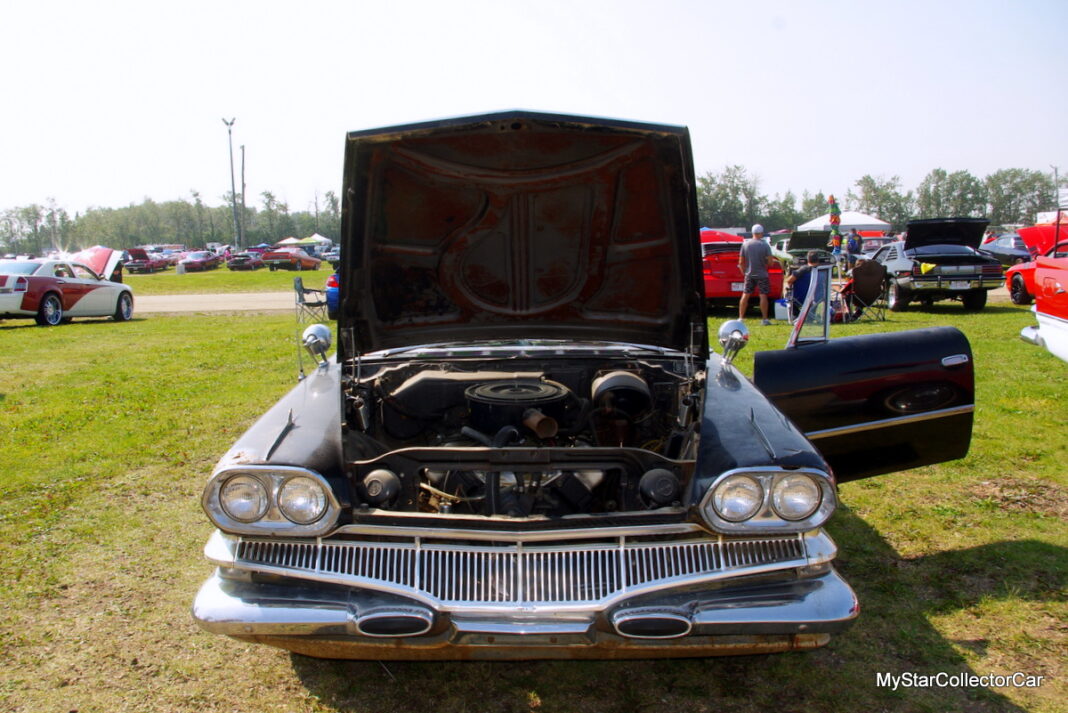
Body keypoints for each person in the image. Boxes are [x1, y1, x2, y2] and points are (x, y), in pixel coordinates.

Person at [738, 223, 777, 325]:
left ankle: (741, 318)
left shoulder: (745, 244)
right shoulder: (765, 245)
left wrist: (744, 273)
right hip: (762, 274)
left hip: (749, 274)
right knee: (763, 295)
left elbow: (741, 262)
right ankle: (764, 319)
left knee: (745, 295)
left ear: (752, 233)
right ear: (761, 233)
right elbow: (770, 262)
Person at [785, 250, 821, 316]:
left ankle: (796, 315)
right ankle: (810, 315)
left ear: (808, 259)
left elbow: (789, 281)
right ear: (818, 260)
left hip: (800, 300)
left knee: (789, 294)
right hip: (816, 300)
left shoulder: (803, 270)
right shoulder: (822, 271)